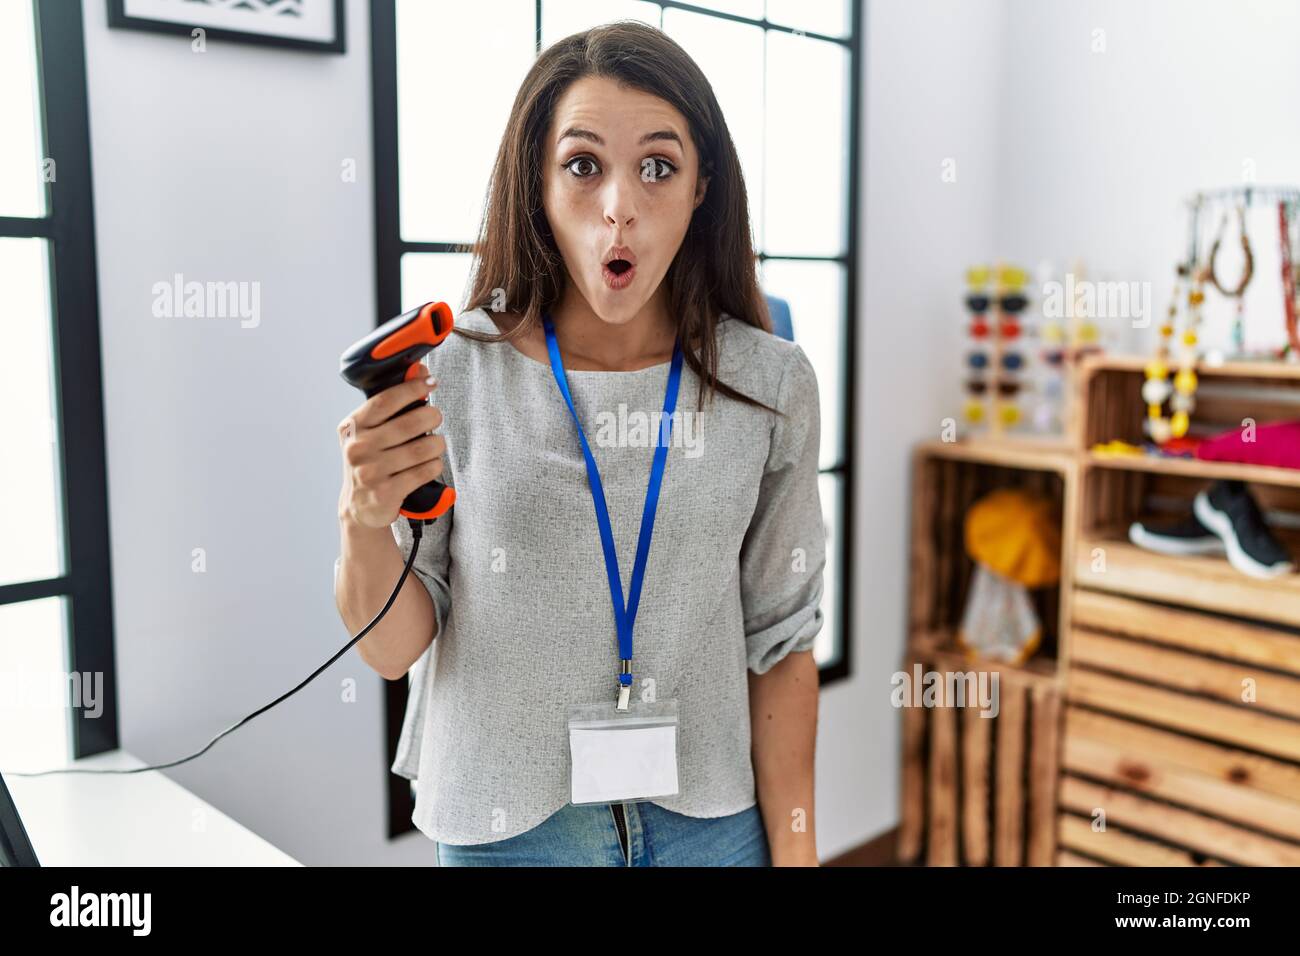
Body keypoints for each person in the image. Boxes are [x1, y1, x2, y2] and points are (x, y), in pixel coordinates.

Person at [334, 20, 824, 867]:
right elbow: (389, 646)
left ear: (703, 184)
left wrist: (799, 853)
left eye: (659, 167)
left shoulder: (771, 384)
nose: (620, 206)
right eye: (584, 164)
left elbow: (780, 645)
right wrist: (361, 517)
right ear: (539, 180)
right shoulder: (452, 373)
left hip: (710, 828)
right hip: (510, 832)